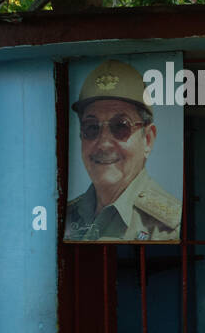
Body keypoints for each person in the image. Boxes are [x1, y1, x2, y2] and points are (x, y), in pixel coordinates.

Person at [64, 59, 181, 241]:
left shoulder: (168, 228)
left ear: (147, 140)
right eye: (91, 127)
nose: (104, 144)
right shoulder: (67, 215)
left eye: (120, 126)